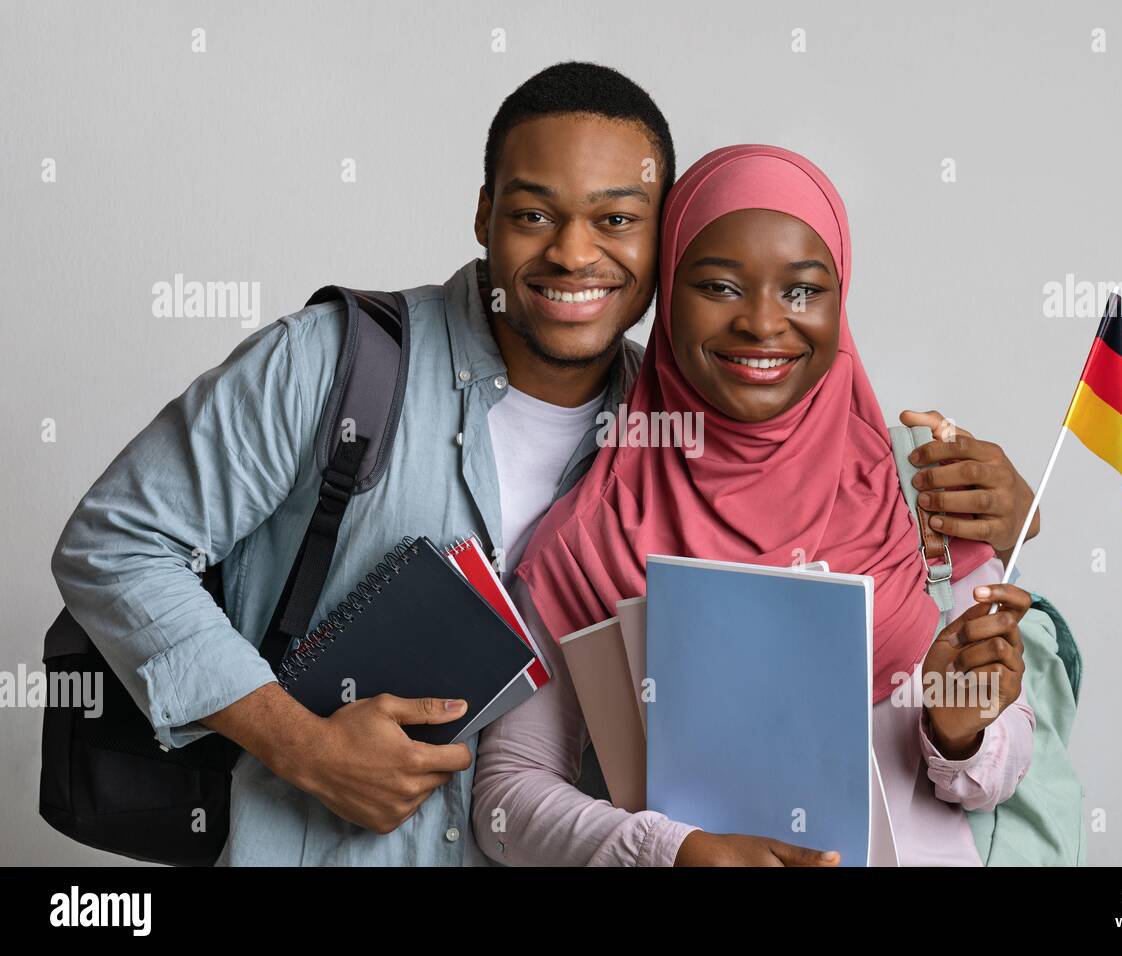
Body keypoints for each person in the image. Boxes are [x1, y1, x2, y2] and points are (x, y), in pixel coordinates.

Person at [51, 62, 1039, 866]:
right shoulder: (335, 363)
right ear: (483, 214)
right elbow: (115, 541)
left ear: (664, 245)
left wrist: (1016, 515)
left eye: (616, 220)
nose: (574, 254)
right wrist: (297, 741)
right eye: (533, 213)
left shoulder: (683, 432)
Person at [471, 145, 1038, 867]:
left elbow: (997, 770)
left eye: (803, 290)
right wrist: (670, 852)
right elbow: (506, 798)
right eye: (718, 286)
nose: (764, 324)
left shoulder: (925, 486)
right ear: (665, 294)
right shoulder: (585, 538)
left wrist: (959, 728)